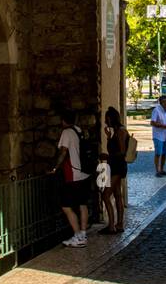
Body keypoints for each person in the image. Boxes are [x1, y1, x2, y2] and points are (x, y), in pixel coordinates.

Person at [49, 107, 90, 247]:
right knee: (83, 204)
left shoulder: (66, 132)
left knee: (66, 206)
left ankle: (77, 235)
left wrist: (55, 167)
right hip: (84, 172)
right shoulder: (79, 130)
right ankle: (83, 234)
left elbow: (63, 152)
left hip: (72, 174)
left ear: (63, 120)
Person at [100, 106, 128, 234]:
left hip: (117, 167)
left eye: (107, 119)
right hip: (114, 165)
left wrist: (107, 156)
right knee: (117, 195)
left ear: (112, 119)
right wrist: (108, 137)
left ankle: (112, 225)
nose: (106, 122)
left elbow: (122, 152)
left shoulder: (121, 131)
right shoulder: (115, 132)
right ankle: (118, 224)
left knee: (106, 195)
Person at [150, 92, 166, 175]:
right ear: (161, 103)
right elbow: (152, 122)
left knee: (164, 153)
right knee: (158, 153)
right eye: (165, 102)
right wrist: (163, 126)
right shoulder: (156, 110)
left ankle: (162, 169)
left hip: (165, 136)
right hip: (158, 136)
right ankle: (157, 170)